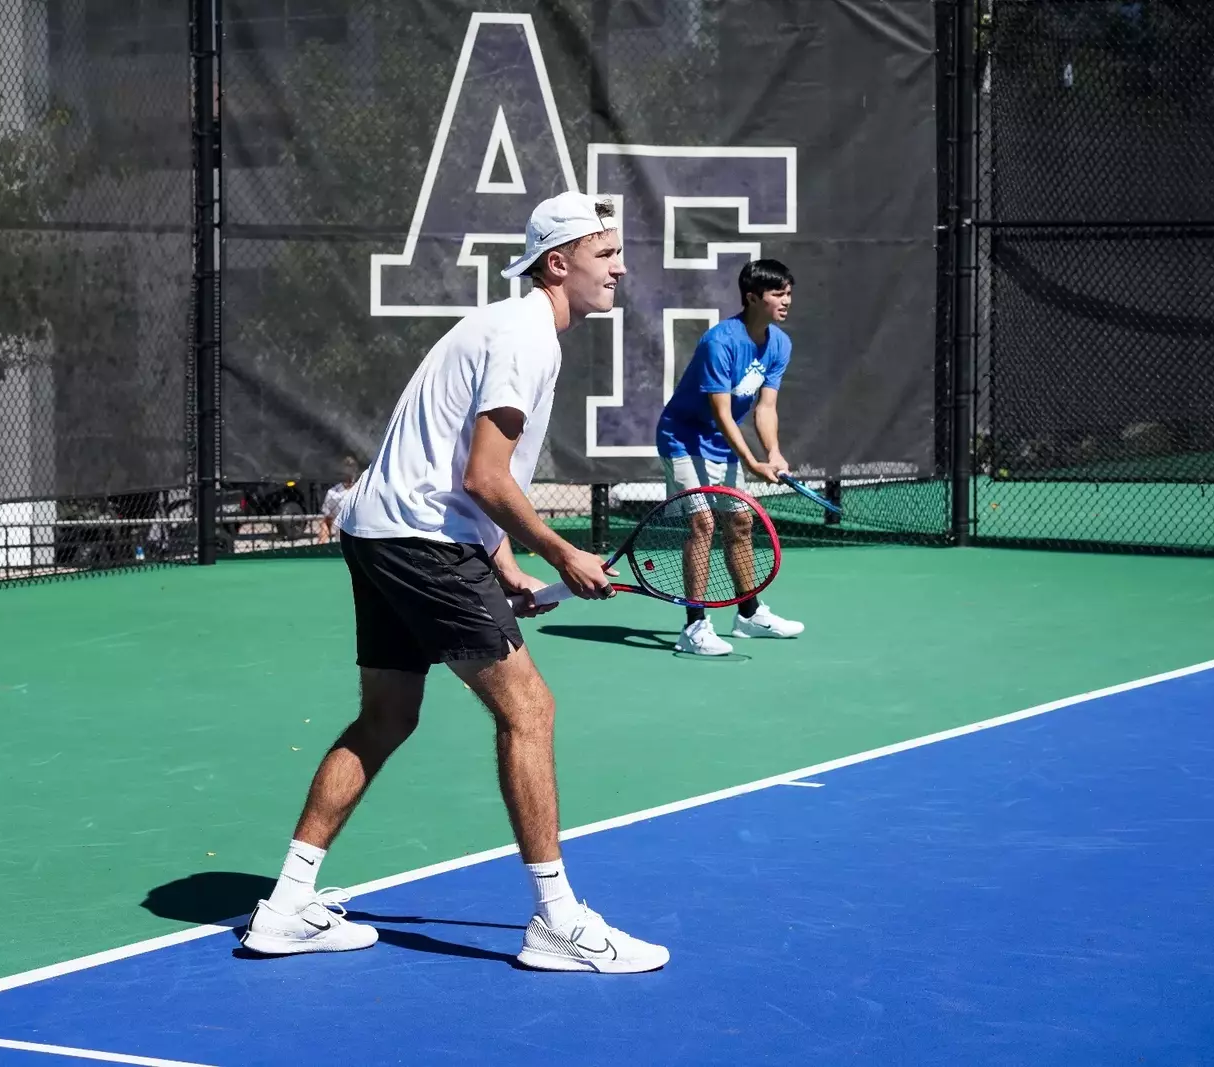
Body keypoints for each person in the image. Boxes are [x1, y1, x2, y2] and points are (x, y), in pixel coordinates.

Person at [241, 191, 670, 974]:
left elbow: (456, 467)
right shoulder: (527, 338)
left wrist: (506, 566)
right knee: (529, 709)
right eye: (605, 254)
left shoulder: (512, 329)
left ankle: (287, 905)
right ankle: (557, 921)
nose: (619, 266)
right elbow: (483, 475)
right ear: (557, 262)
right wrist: (562, 552)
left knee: (387, 716)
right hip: (421, 540)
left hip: (378, 532)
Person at [654, 259, 806, 657]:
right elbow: (722, 413)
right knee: (702, 523)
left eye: (788, 293)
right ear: (753, 298)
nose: (786, 301)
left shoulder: (779, 344)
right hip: (683, 438)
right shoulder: (720, 342)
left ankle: (749, 615)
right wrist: (753, 463)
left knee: (740, 520)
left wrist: (773, 453)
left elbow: (765, 408)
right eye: (777, 294)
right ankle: (693, 626)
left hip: (722, 443)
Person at [316, 455, 363, 544]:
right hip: (342, 541)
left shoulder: (362, 491)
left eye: (352, 470)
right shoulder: (333, 493)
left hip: (361, 540)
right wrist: (321, 542)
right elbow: (326, 520)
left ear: (356, 471)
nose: (349, 474)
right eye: (347, 471)